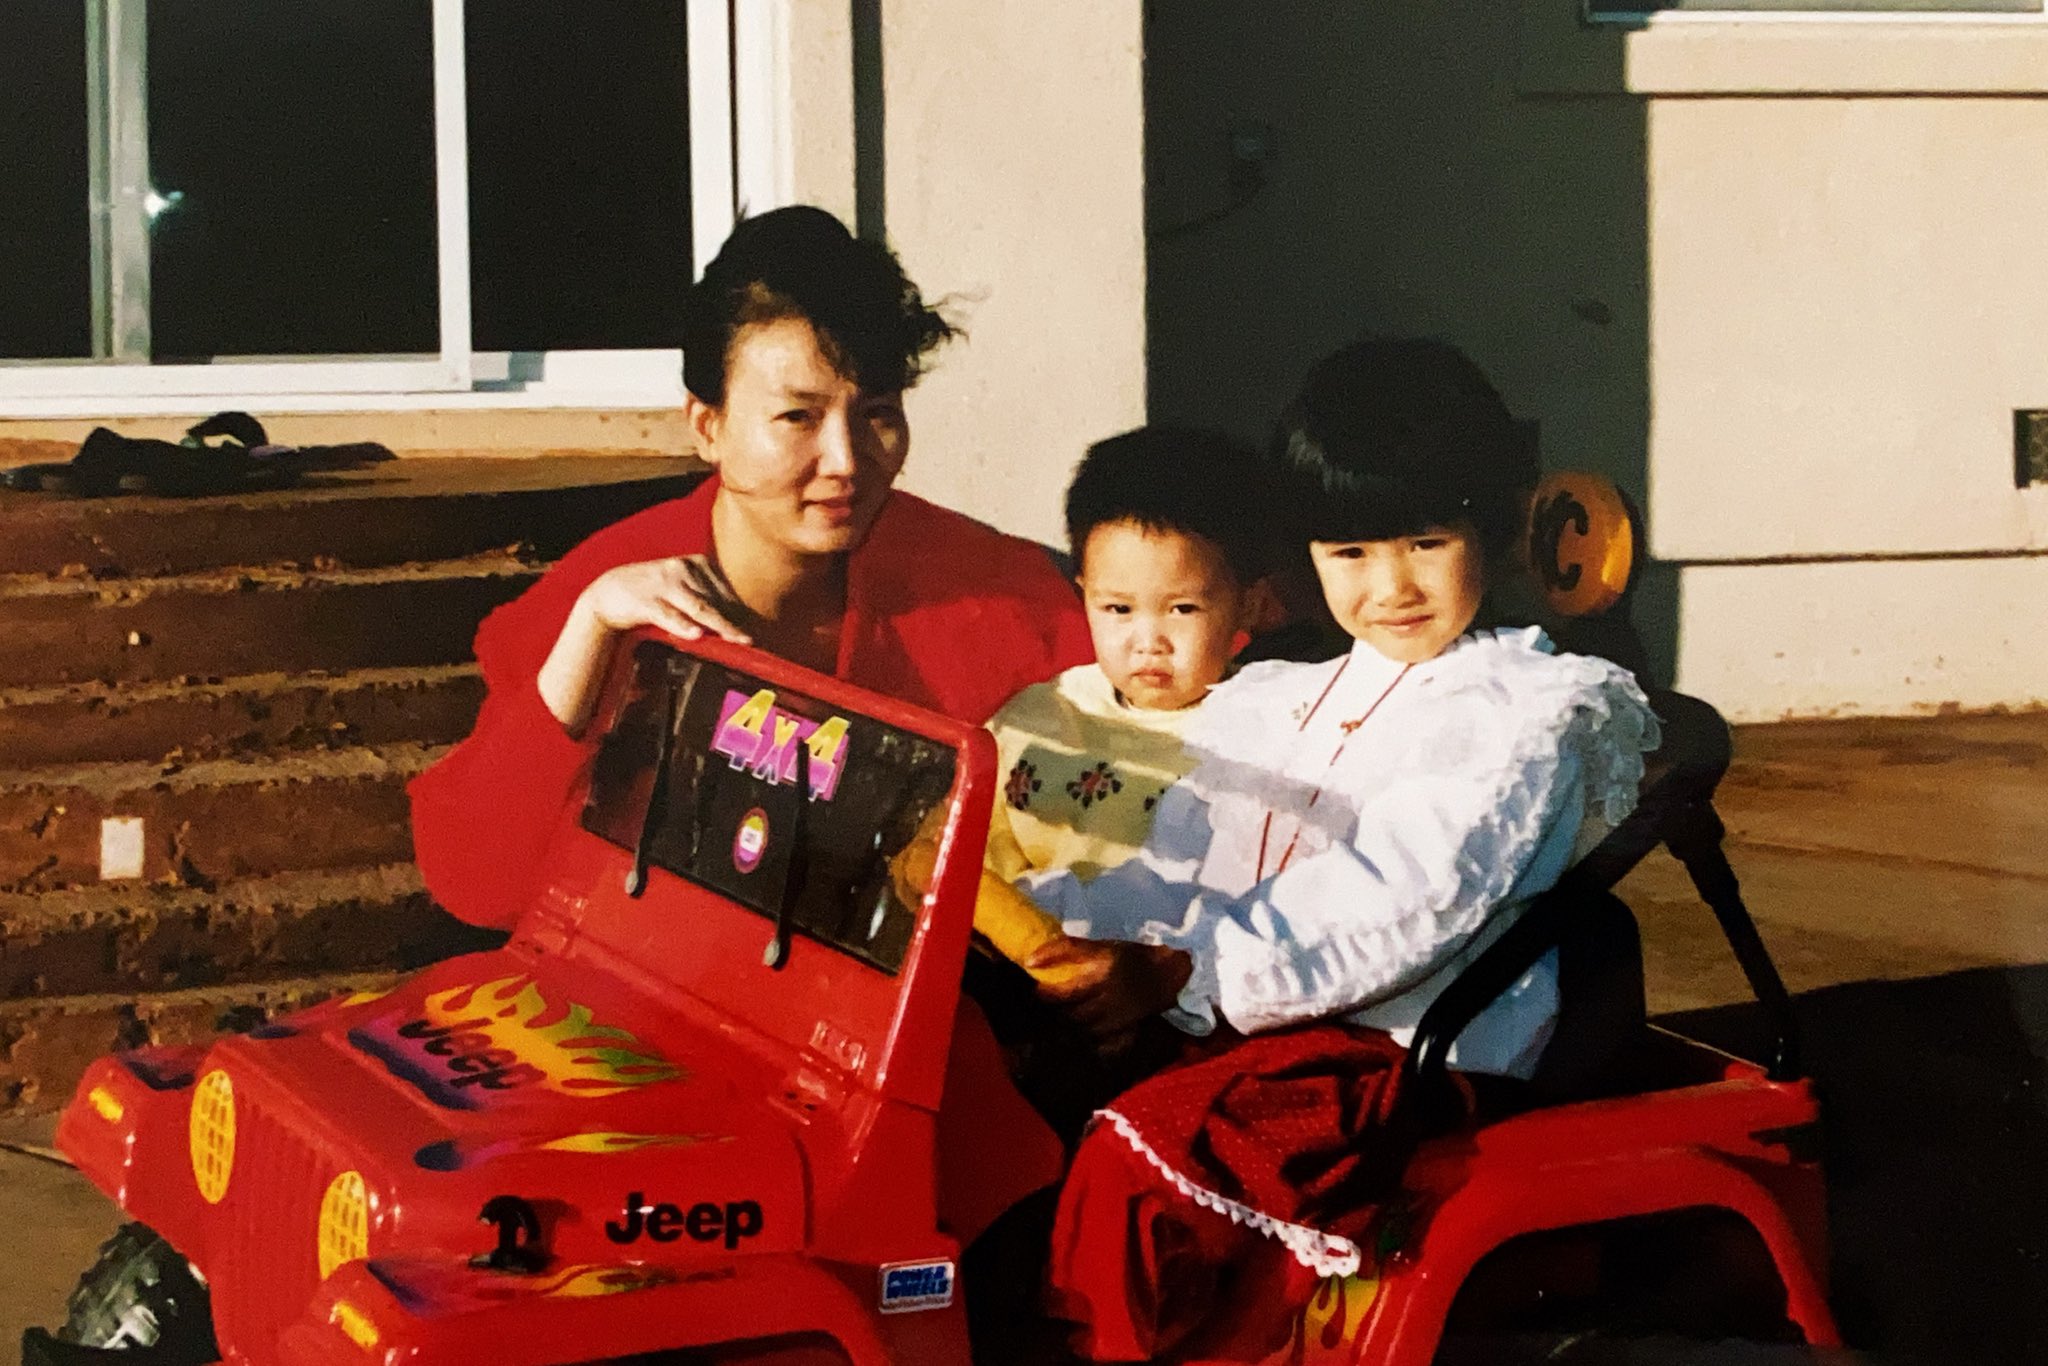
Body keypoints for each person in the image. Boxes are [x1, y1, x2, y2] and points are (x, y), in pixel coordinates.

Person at [1025, 337, 1663, 1361]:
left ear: (1489, 530)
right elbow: (1191, 839)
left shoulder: (1518, 714)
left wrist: (1191, 971)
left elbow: (1402, 897)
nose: (1388, 587)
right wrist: (1074, 923)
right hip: (1277, 1007)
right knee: (1016, 1064)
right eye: (1349, 554)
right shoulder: (1298, 693)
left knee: (1138, 1161)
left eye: (1421, 541)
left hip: (1408, 1042)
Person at [407, 204, 1093, 933]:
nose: (848, 462)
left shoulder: (987, 585)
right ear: (709, 426)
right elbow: (476, 883)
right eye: (798, 418)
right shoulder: (609, 586)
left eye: (877, 414)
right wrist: (592, 632)